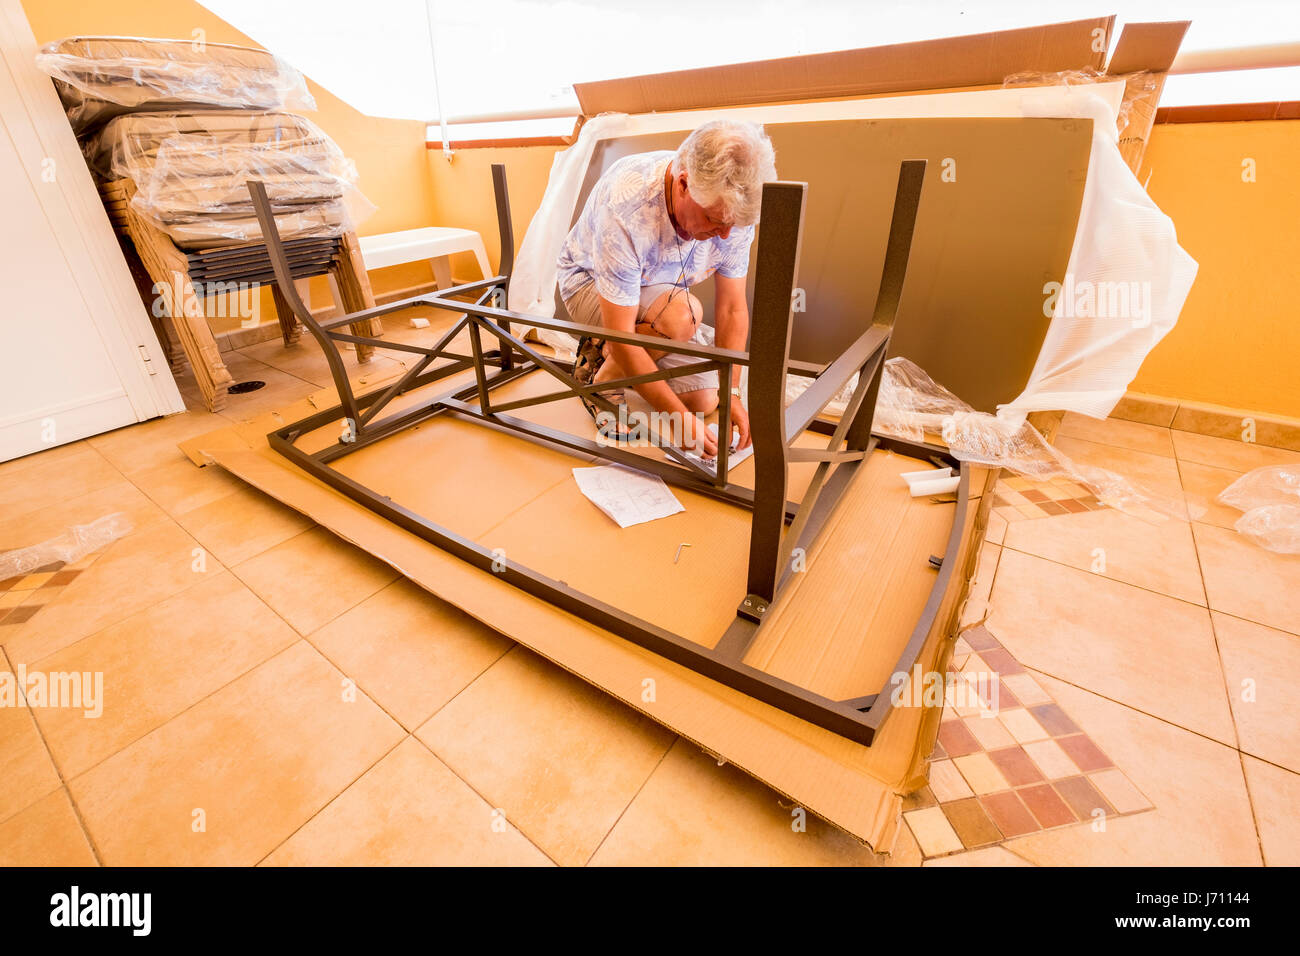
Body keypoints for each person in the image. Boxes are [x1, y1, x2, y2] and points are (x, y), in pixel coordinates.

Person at [556, 120, 777, 459]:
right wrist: (678, 417)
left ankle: (610, 359)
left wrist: (731, 393)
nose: (725, 236)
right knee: (683, 316)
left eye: (733, 225)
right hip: (589, 284)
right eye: (715, 222)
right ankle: (601, 383)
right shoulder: (628, 203)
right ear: (684, 185)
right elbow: (622, 333)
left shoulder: (732, 210)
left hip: (658, 298)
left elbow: (732, 309)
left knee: (705, 399)